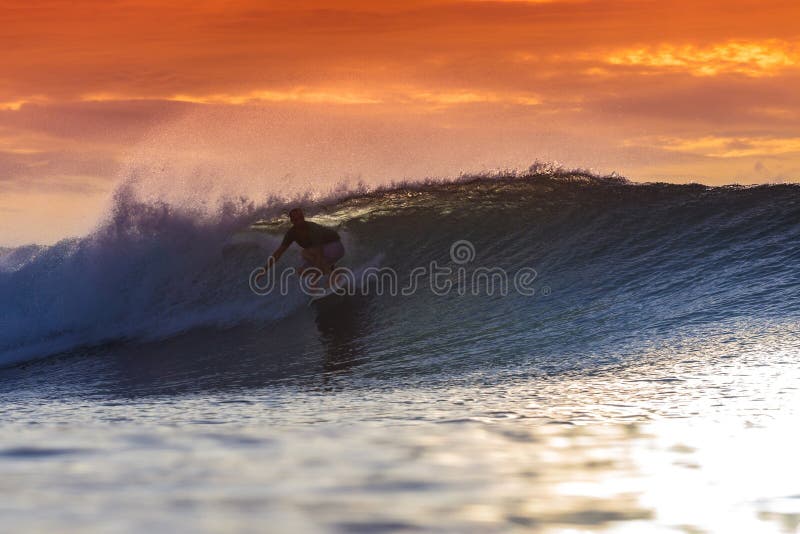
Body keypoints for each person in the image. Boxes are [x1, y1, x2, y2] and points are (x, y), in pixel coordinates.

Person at [265, 207, 345, 281]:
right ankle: (333, 270)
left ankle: (333, 276)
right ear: (292, 221)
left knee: (305, 253)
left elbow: (319, 254)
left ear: (303, 217)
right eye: (296, 220)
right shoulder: (291, 233)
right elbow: (278, 253)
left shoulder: (312, 228)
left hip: (335, 247)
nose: (299, 221)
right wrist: (265, 270)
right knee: (302, 272)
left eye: (301, 218)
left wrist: (315, 278)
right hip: (324, 252)